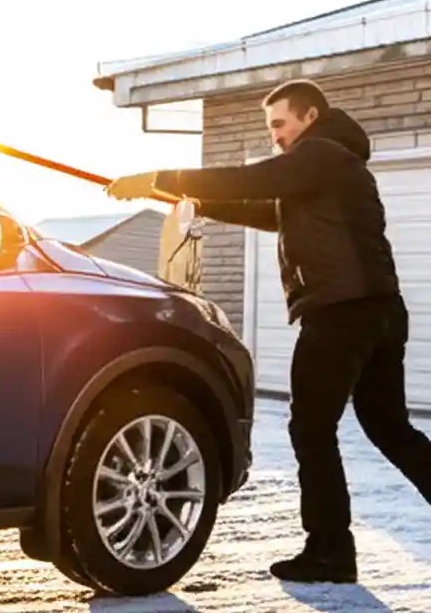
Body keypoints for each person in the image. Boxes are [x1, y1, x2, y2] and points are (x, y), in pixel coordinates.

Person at [105, 78, 431, 584]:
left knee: (311, 429)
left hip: (342, 313)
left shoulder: (321, 153)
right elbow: (265, 210)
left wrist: (160, 175)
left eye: (280, 124)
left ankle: (330, 552)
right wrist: (188, 197)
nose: (275, 135)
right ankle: (331, 550)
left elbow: (248, 180)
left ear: (309, 117)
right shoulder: (333, 166)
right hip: (378, 312)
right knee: (390, 428)